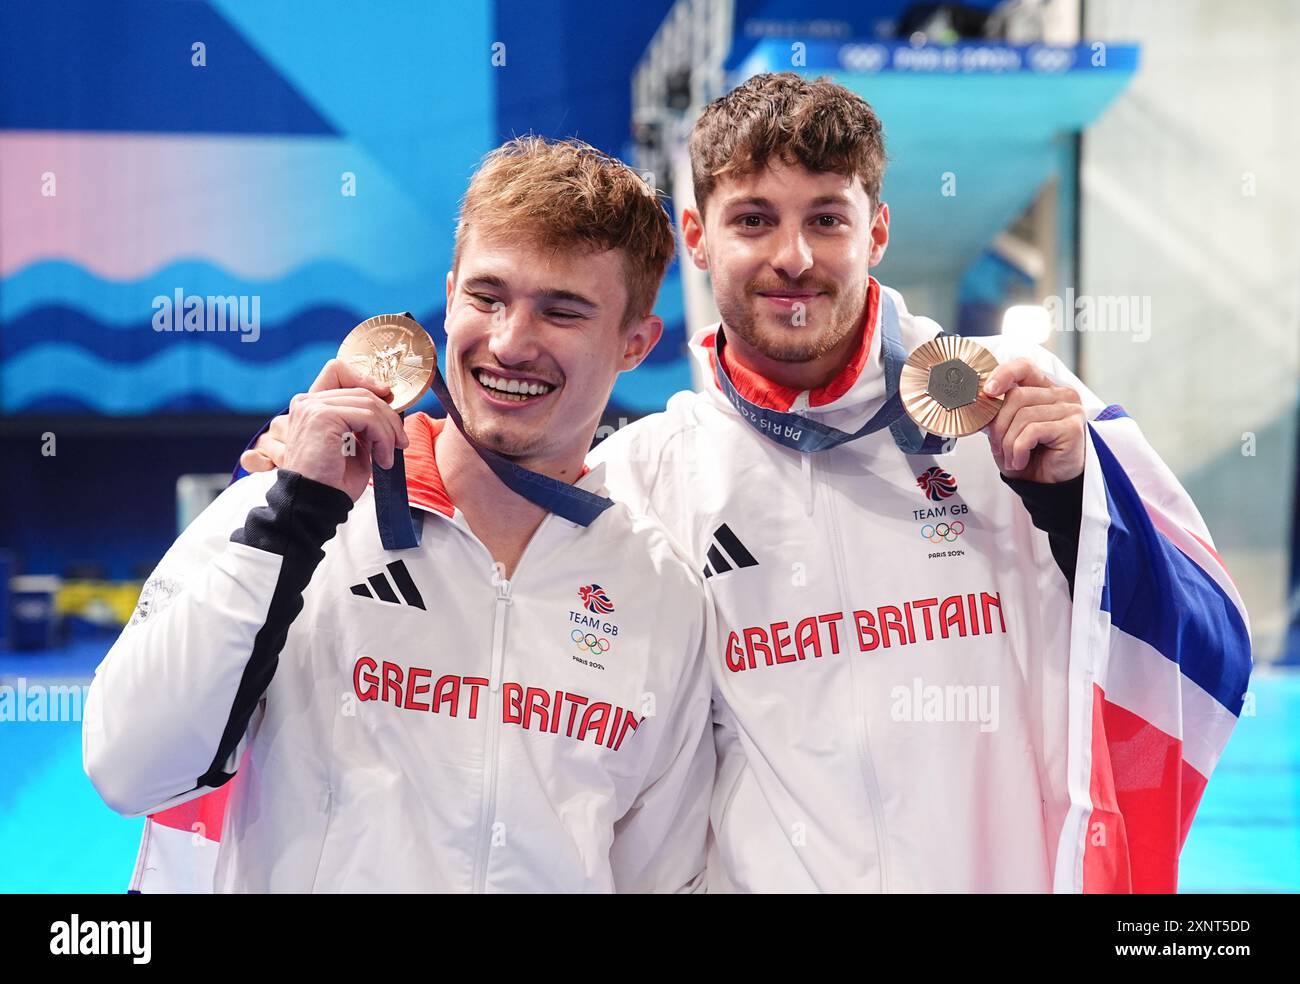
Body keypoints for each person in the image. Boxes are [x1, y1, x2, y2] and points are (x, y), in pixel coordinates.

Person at [242, 75, 1253, 893]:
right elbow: (492, 639)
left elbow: (1207, 657)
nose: (794, 257)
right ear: (696, 238)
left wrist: (1075, 503)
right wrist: (310, 475)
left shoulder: (1014, 410)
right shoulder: (638, 480)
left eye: (827, 218)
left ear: (878, 233)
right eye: (754, 218)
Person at [83, 137, 715, 893]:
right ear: (448, 298)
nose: (511, 342)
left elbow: (658, 877)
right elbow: (128, 769)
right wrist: (293, 523)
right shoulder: (285, 513)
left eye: (563, 311)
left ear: (636, 344)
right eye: (488, 297)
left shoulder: (658, 595)